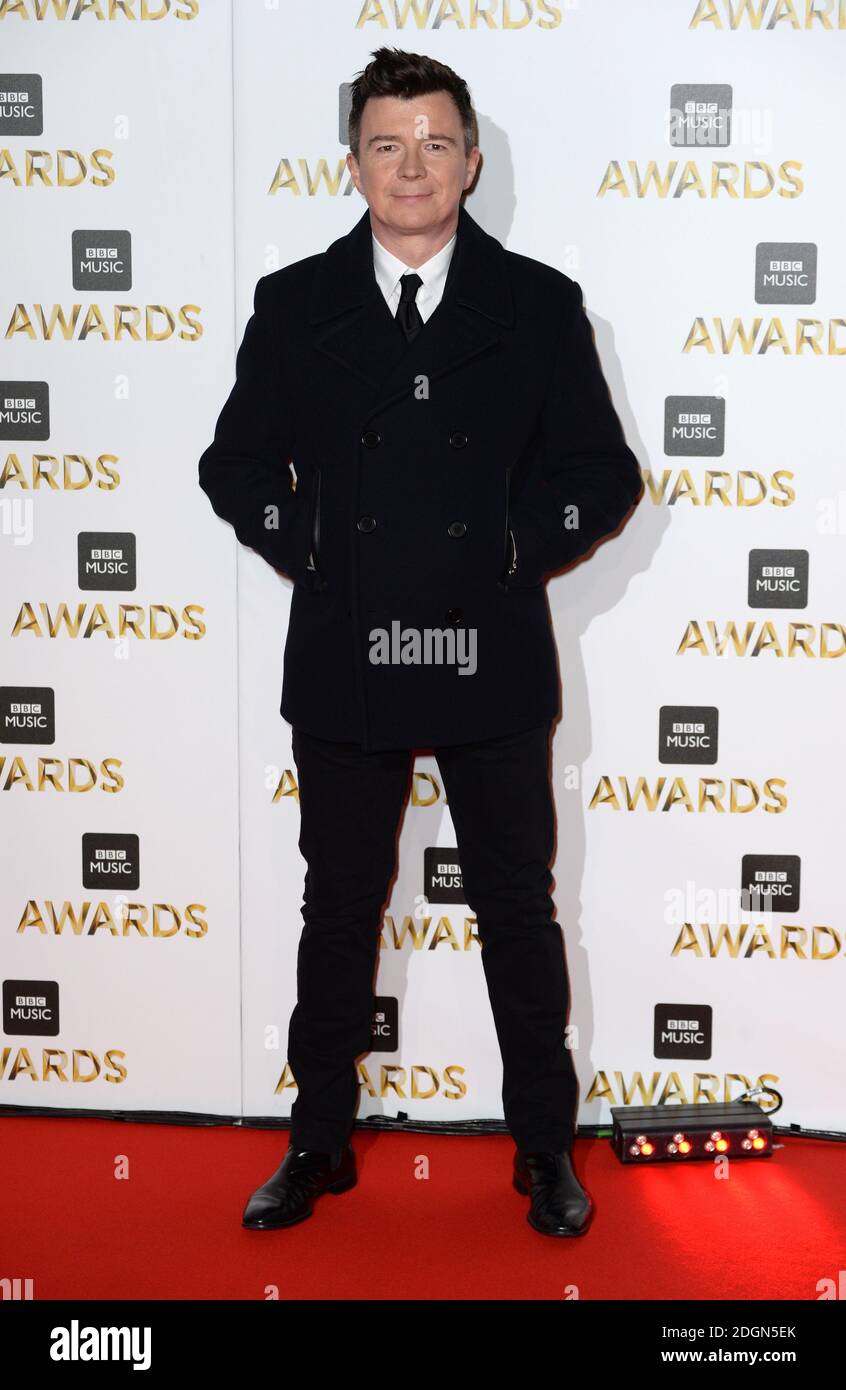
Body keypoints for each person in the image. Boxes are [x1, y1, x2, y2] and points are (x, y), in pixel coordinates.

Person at [198, 46, 643, 1238]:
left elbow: (603, 472)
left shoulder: (539, 304)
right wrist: (313, 545)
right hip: (348, 650)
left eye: (436, 142)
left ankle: (545, 1146)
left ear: (472, 160)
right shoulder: (295, 303)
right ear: (353, 164)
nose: (412, 166)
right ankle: (317, 1143)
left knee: (517, 908)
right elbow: (233, 462)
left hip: (489, 651)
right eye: (387, 144)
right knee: (339, 907)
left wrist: (509, 550)